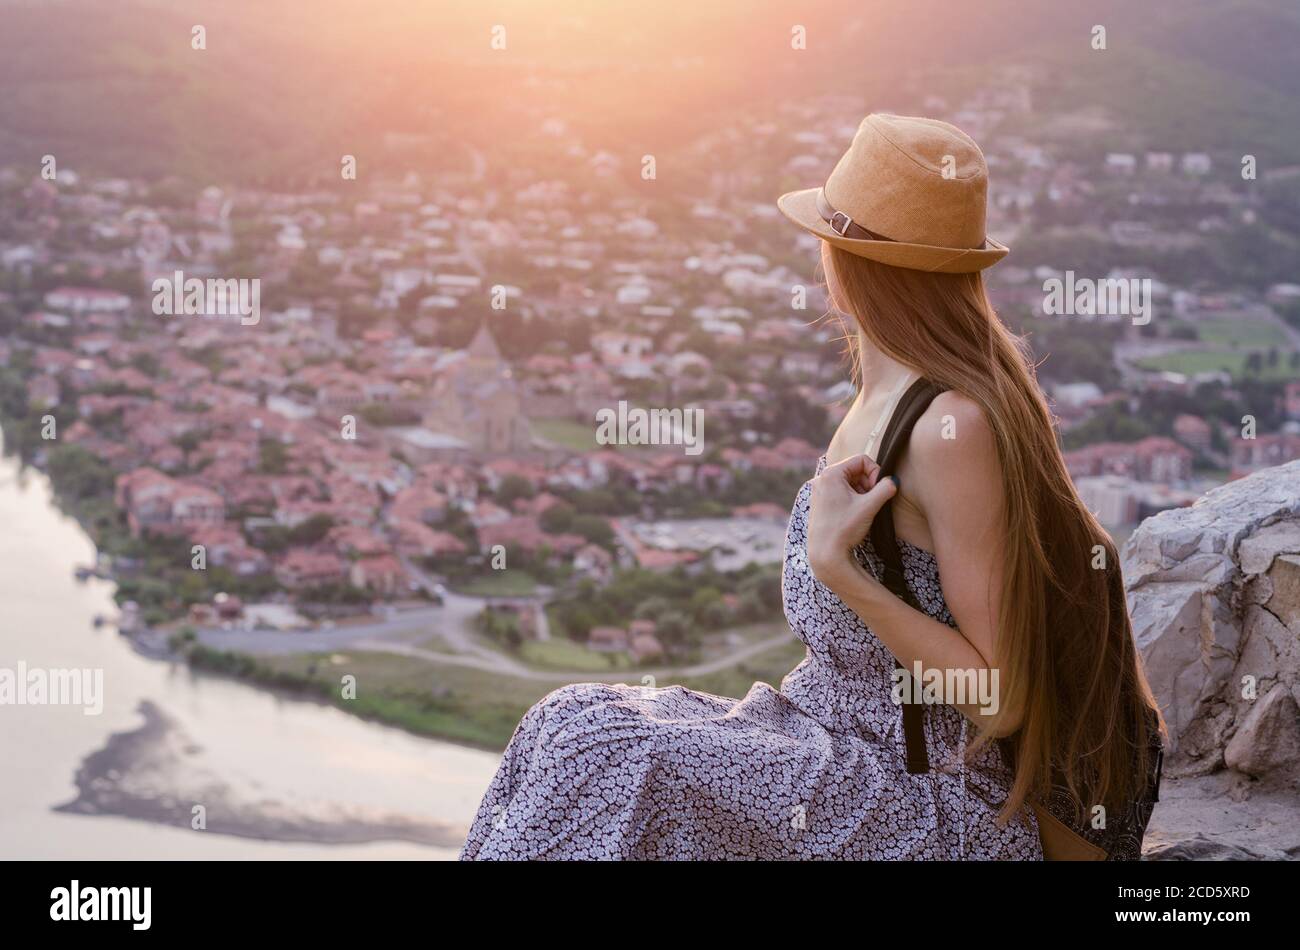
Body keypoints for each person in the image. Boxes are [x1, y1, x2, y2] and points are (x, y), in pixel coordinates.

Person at [461, 113, 1162, 861]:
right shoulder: (884, 392)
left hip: (927, 795)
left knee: (606, 750)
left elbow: (1002, 696)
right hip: (826, 739)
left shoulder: (950, 426)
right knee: (565, 721)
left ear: (846, 259)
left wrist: (839, 572)